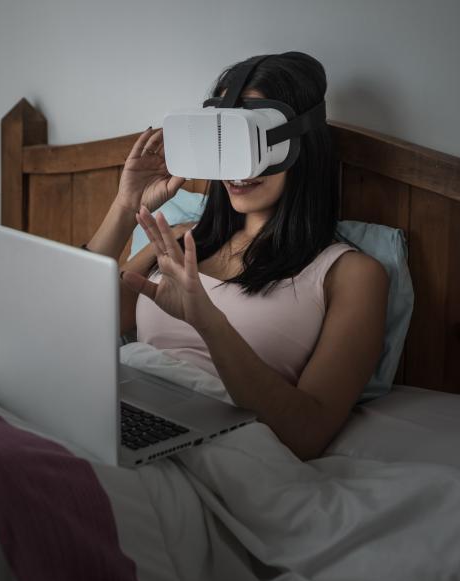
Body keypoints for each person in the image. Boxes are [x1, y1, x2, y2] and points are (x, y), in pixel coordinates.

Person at [84, 52, 388, 461]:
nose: (238, 165)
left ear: (303, 143)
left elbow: (307, 433)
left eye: (254, 139)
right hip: (116, 411)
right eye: (225, 139)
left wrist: (208, 321)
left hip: (212, 449)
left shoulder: (350, 274)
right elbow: (71, 320)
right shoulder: (180, 239)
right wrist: (125, 207)